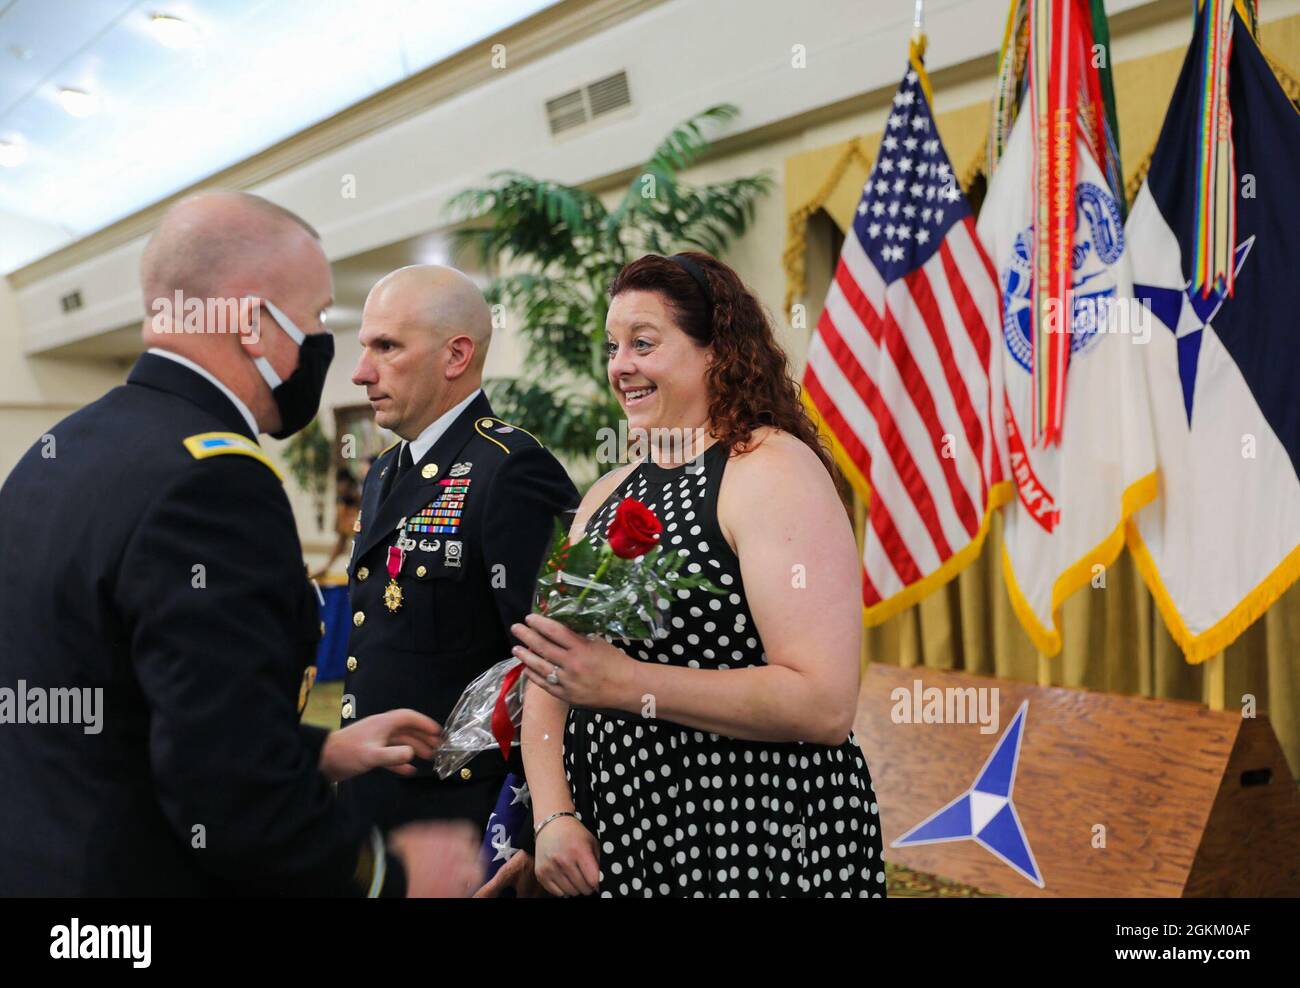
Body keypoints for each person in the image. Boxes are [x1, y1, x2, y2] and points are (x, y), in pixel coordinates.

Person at [0, 191, 483, 896]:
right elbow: (227, 792)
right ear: (255, 325)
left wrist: (316, 748)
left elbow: (138, 698)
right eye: (319, 318)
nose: (330, 350)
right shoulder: (213, 479)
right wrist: (394, 874)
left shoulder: (61, 450)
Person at [512, 252, 887, 897]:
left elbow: (823, 703)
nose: (619, 365)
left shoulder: (769, 470)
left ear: (716, 351)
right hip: (622, 837)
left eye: (643, 344)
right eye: (613, 346)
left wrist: (626, 682)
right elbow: (550, 670)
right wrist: (554, 815)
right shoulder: (607, 493)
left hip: (753, 835)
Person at [341, 265, 578, 888]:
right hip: (377, 808)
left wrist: (527, 831)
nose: (362, 371)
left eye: (385, 347)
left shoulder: (511, 470)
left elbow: (557, 668)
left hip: (465, 822)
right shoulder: (386, 471)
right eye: (365, 347)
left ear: (456, 354)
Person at [312, 467, 363, 579]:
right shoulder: (344, 501)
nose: (338, 488)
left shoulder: (361, 495)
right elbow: (341, 537)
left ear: (347, 483)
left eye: (340, 484)